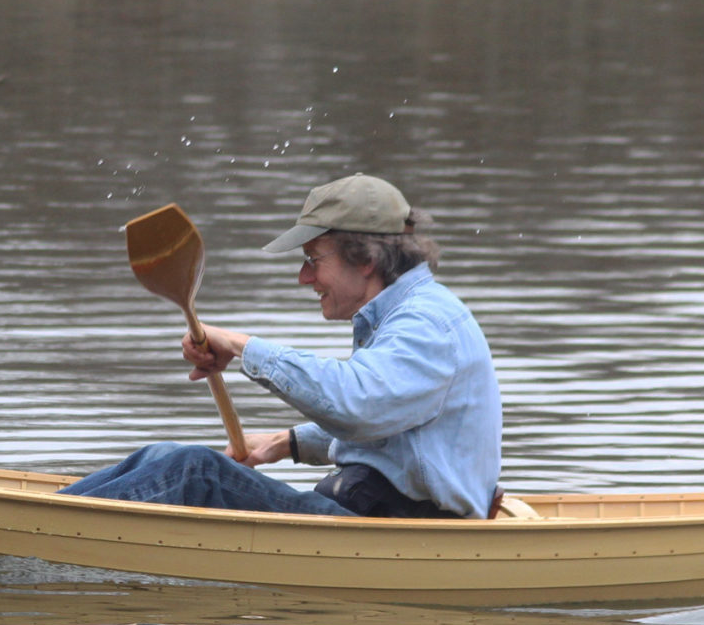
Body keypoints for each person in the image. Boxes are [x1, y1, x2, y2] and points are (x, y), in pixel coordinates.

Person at [61, 173, 502, 519]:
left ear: (366, 259)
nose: (303, 278)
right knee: (163, 456)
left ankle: (51, 528)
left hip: (405, 531)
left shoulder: (427, 323)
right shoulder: (404, 314)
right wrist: (284, 443)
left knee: (193, 470)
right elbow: (396, 426)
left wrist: (239, 345)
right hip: (372, 517)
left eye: (313, 259)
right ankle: (59, 511)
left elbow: (360, 404)